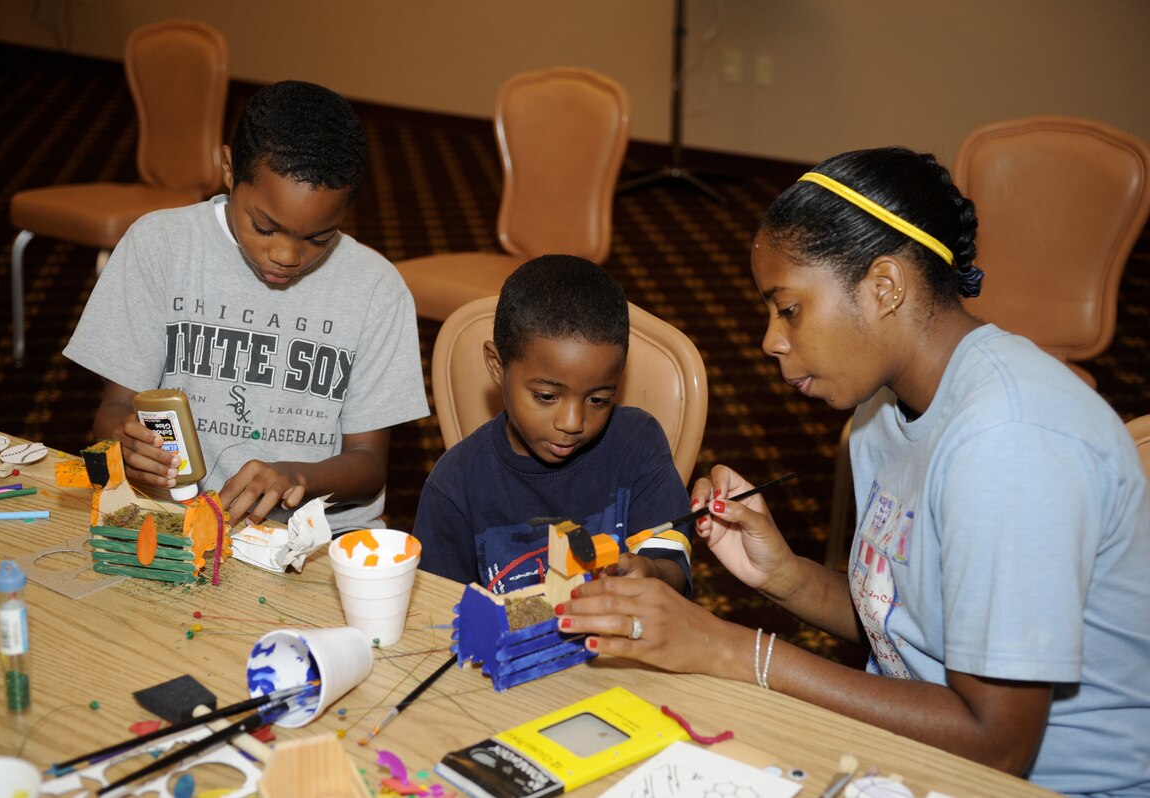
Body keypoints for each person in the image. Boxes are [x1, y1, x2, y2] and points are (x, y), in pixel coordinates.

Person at [555, 147, 1150, 796]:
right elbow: (908, 628)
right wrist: (783, 575)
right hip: (916, 756)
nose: (770, 340)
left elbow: (997, 742)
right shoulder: (880, 415)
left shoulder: (1012, 439)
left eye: (787, 308)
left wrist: (729, 648)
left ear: (885, 286)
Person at [64, 80, 429, 531]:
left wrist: (298, 477)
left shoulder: (376, 289)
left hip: (318, 536)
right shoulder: (160, 247)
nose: (286, 255)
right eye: (264, 227)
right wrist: (127, 442)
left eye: (318, 238)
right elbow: (115, 406)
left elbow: (368, 463)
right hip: (178, 515)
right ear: (229, 170)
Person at [414, 254, 693, 596]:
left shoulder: (638, 444)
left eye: (598, 399)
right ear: (497, 365)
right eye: (546, 396)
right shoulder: (456, 484)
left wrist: (651, 573)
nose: (572, 423)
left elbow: (672, 566)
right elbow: (438, 607)